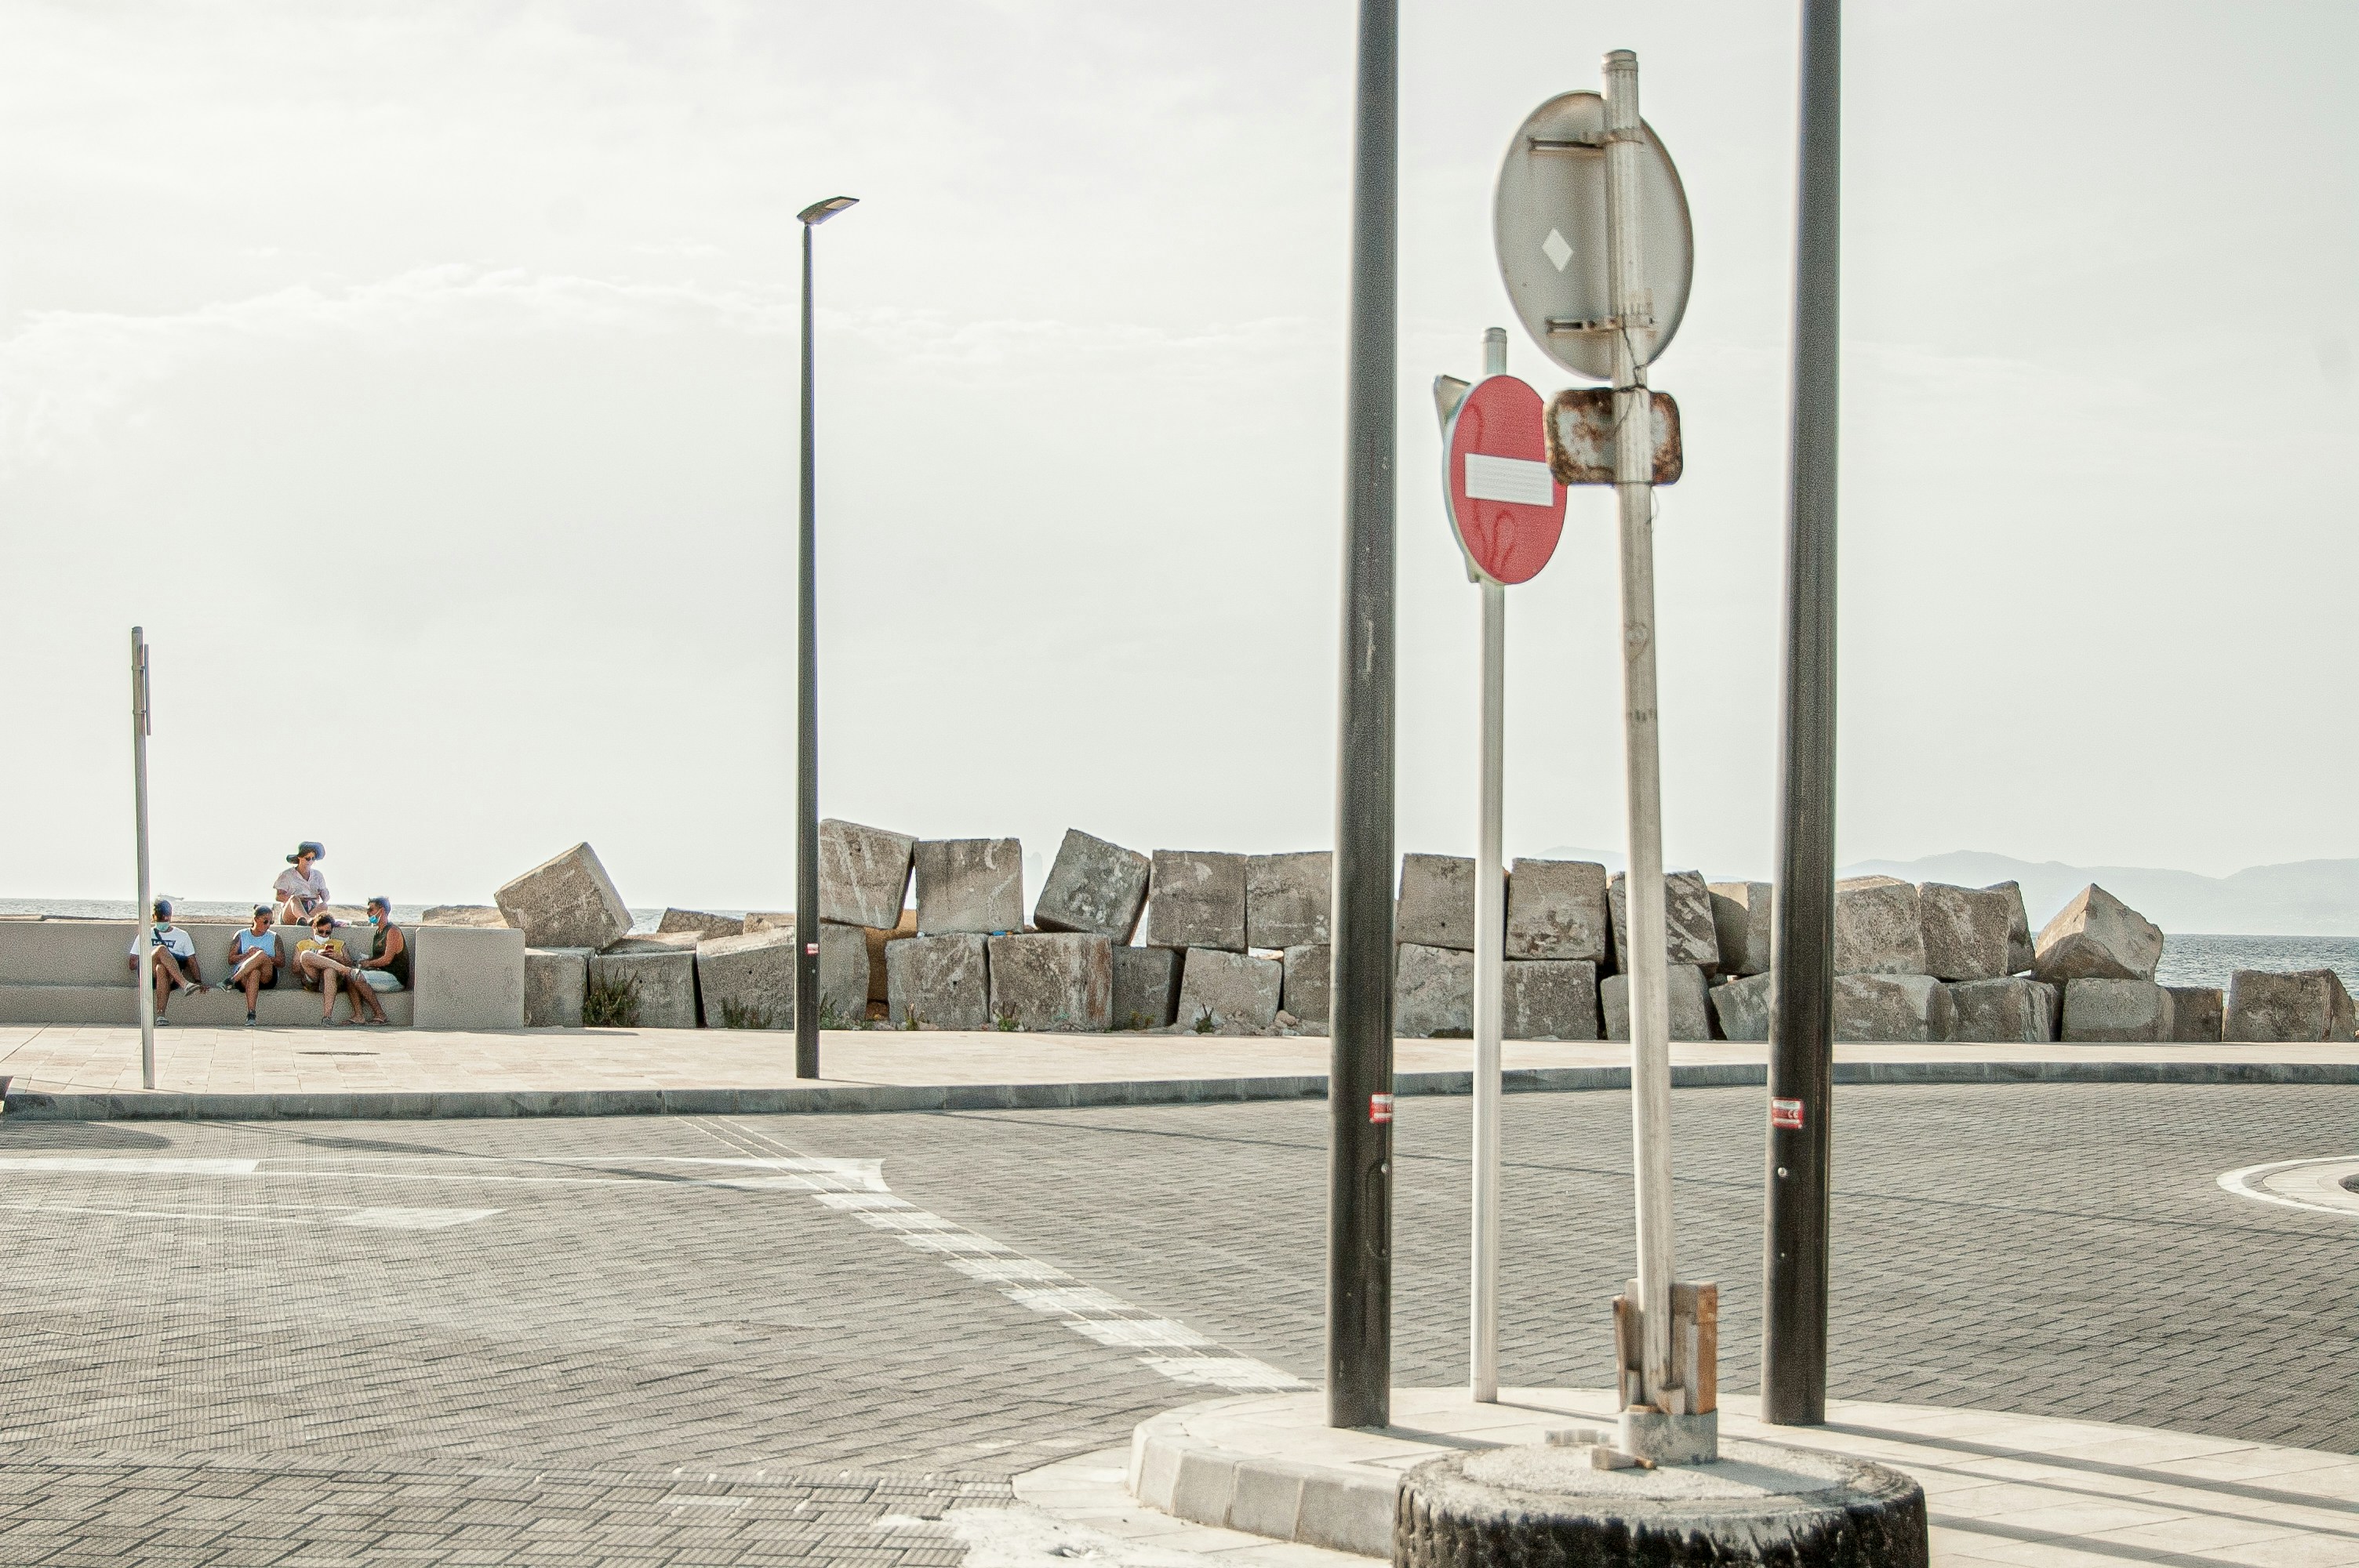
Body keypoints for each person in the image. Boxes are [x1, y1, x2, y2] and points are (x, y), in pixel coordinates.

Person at [124, 898, 205, 1023]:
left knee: (161, 968)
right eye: (160, 919)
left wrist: (198, 981)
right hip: (148, 975)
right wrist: (155, 956)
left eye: (166, 918)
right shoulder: (145, 935)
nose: (164, 921)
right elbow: (132, 964)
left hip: (172, 978)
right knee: (161, 949)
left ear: (170, 917)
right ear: (153, 917)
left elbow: (192, 960)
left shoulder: (182, 935)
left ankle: (161, 1015)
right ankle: (185, 984)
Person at [294, 912, 379, 1025]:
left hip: (334, 980)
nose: (324, 935)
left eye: (328, 932)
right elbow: (295, 969)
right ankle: (343, 969)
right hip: (313, 979)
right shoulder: (302, 944)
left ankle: (327, 1017)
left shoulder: (339, 944)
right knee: (305, 955)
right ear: (314, 927)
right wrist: (317, 959)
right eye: (321, 931)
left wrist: (338, 958)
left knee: (329, 970)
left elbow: (350, 963)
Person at [348, 897, 407, 1023]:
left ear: (382, 911)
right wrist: (365, 962)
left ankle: (380, 1014)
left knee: (357, 977)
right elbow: (378, 959)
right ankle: (359, 1015)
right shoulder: (378, 933)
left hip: (395, 977)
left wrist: (368, 963)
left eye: (371, 910)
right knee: (349, 975)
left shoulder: (393, 931)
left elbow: (387, 960)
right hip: (382, 974)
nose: (368, 913)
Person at [224, 905, 285, 1025]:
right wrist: (247, 955)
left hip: (267, 977)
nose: (268, 925)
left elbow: (282, 962)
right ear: (256, 919)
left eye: (271, 922)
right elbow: (231, 959)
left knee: (261, 954)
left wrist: (262, 957)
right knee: (254, 972)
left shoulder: (274, 937)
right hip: (245, 979)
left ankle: (231, 981)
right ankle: (251, 1014)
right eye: (265, 921)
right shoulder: (242, 935)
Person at [274, 842, 329, 924]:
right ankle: (308, 920)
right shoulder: (287, 874)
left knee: (324, 905)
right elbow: (278, 897)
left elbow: (326, 898)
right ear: (300, 857)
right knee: (294, 899)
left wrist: (324, 894)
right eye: (308, 858)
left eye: (313, 859)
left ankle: (306, 920)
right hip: (291, 913)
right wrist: (300, 898)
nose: (310, 861)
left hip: (312, 910)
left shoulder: (318, 875)